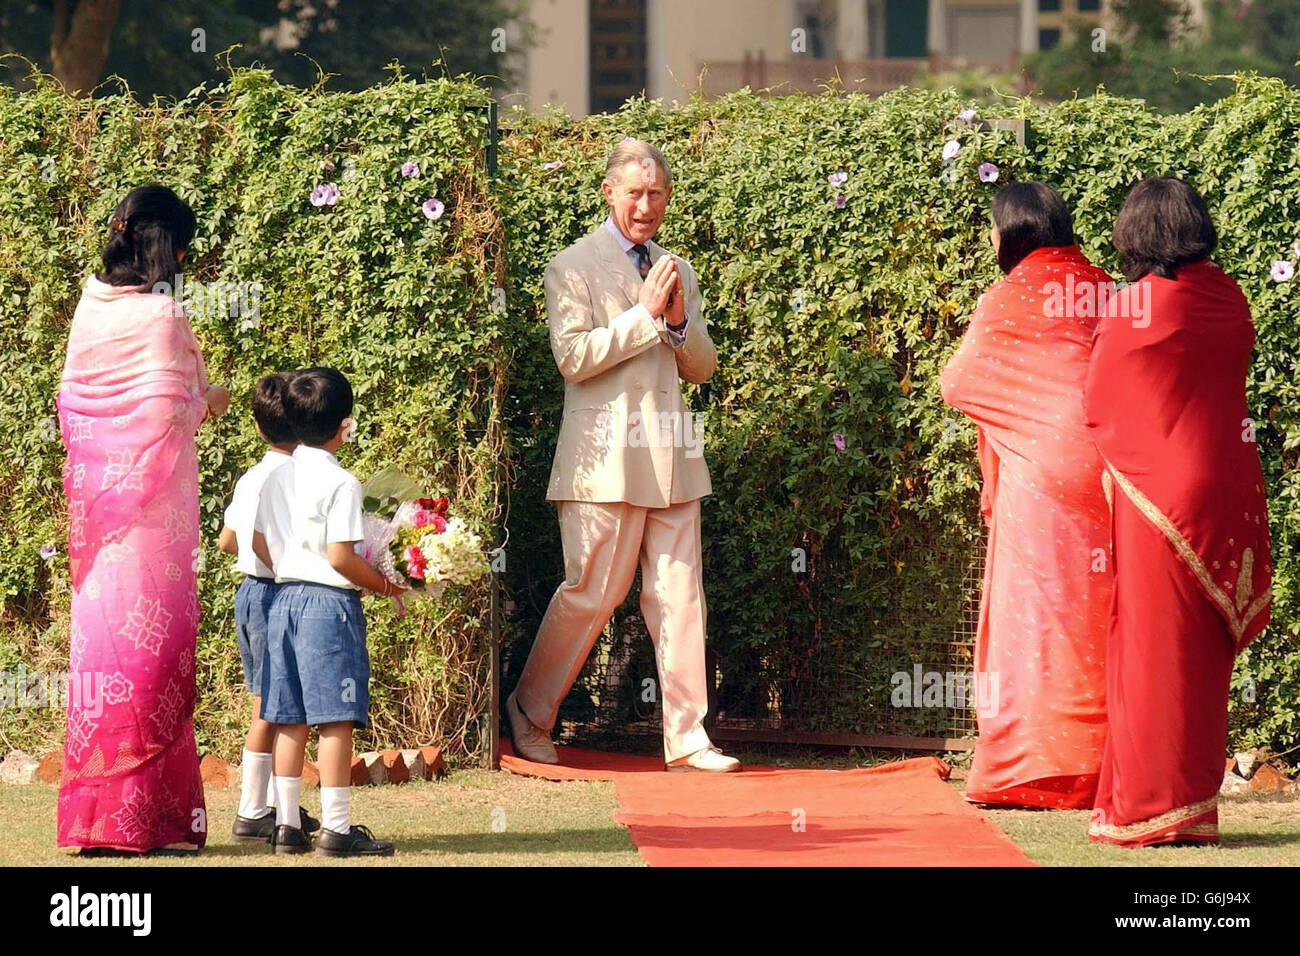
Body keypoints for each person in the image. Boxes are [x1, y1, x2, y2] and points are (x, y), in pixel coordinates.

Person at [505, 138, 740, 772]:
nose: (646, 205)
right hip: (602, 457)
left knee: (680, 594)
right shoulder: (571, 265)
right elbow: (573, 359)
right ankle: (528, 713)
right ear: (609, 193)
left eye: (657, 194)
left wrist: (682, 324)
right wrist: (643, 316)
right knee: (592, 594)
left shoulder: (678, 268)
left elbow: (702, 368)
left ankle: (688, 738)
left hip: (674, 457)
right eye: (634, 192)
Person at [1083, 177, 1272, 846]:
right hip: (1228, 486)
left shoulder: (1136, 307)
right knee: (1199, 655)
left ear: (1136, 233)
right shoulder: (1228, 298)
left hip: (1159, 494)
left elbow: (1099, 404)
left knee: (1151, 650)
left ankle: (1147, 808)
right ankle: (1192, 807)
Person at [56, 184, 230, 853]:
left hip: (98, 523)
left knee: (107, 661)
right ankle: (152, 823)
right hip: (154, 523)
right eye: (184, 248)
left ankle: (104, 824)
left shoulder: (87, 308)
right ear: (165, 245)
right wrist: (208, 401)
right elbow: (162, 417)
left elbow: (74, 410)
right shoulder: (161, 317)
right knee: (152, 661)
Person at [940, 182, 1111, 808]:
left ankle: (1027, 771)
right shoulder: (1106, 287)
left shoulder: (1011, 294)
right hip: (1114, 479)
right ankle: (1102, 770)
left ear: (1009, 234)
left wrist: (1028, 419)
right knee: (1099, 619)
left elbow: (958, 383)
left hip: (1040, 485)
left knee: (1034, 621)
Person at [252, 366, 404, 856]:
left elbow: (258, 540)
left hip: (283, 600)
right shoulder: (342, 482)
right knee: (336, 719)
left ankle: (288, 827)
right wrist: (383, 585)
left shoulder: (276, 477)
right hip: (327, 606)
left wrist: (291, 567)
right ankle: (337, 828)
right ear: (346, 425)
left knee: (289, 718)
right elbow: (341, 556)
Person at [217, 372, 321, 842]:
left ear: (258, 428)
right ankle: (258, 810)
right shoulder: (295, 476)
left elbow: (226, 542)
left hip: (248, 594)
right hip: (278, 592)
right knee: (277, 708)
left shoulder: (251, 477)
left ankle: (267, 808)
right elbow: (267, 544)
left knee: (267, 704)